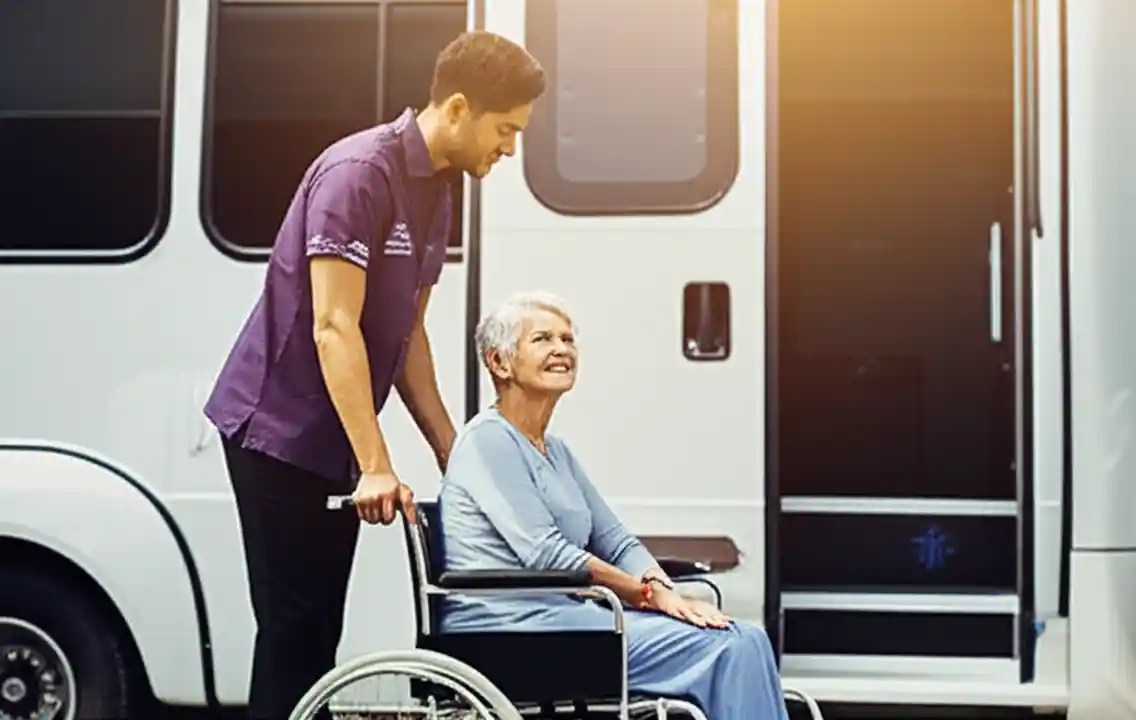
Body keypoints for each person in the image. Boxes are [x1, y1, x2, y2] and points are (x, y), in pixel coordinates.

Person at [202, 32, 546, 719]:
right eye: (505, 130)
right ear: (457, 108)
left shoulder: (438, 191)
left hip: (332, 433)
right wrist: (376, 464)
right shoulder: (357, 173)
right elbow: (335, 326)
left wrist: (457, 451)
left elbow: (407, 335)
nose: (509, 149)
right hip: (276, 430)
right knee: (293, 629)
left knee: (320, 628)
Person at [438, 291, 791, 719]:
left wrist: (664, 590)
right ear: (499, 363)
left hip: (567, 620)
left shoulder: (556, 450)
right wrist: (647, 596)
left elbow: (616, 540)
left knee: (746, 637)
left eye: (568, 339)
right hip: (513, 631)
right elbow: (545, 552)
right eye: (543, 339)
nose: (561, 349)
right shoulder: (487, 441)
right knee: (731, 646)